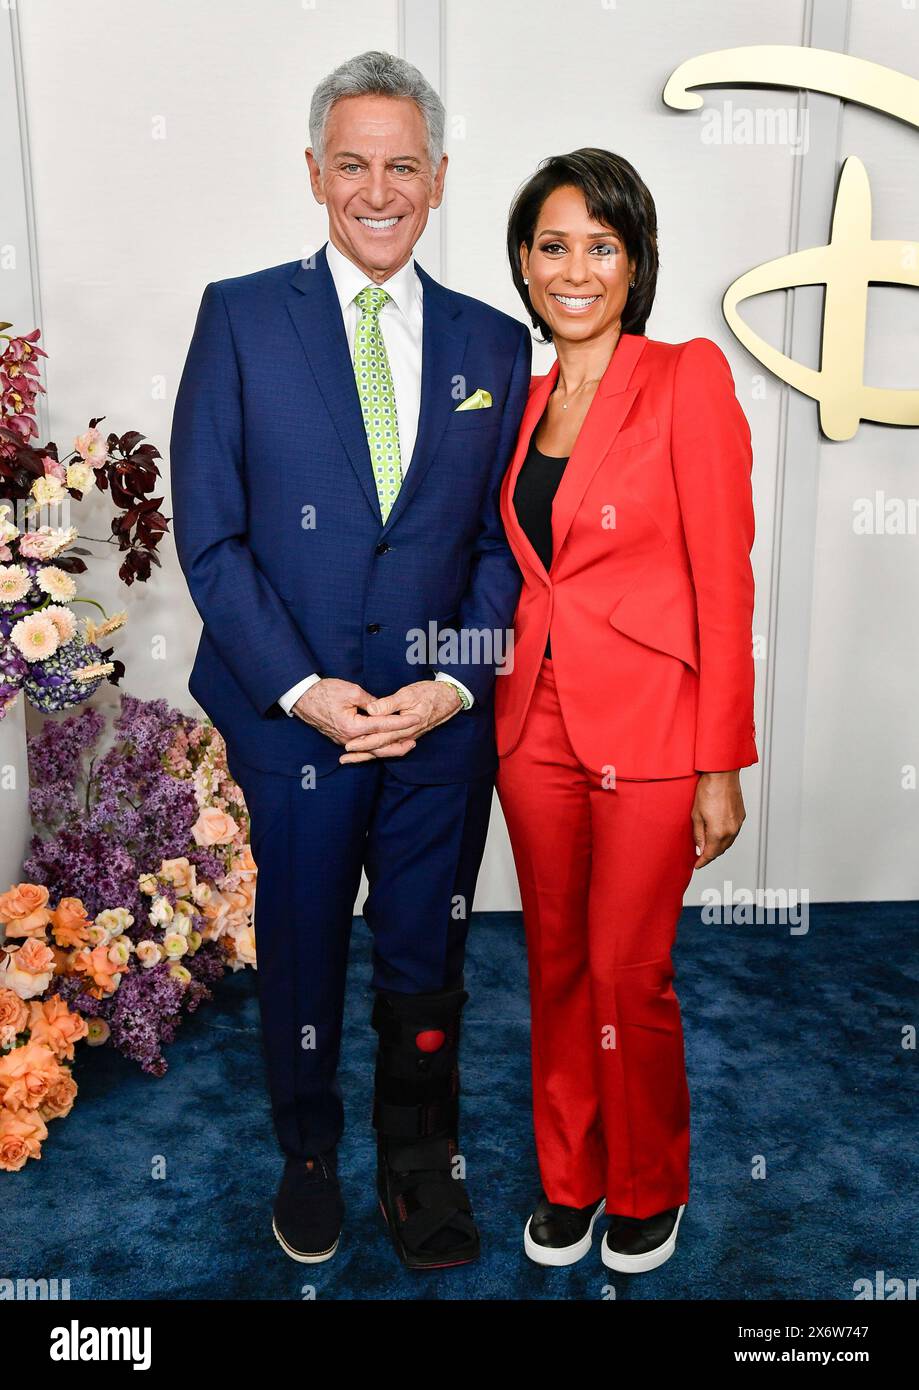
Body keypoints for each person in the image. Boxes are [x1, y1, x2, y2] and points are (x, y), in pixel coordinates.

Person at [169, 51, 531, 1270]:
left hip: (437, 725)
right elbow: (209, 534)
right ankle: (309, 1151)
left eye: (404, 166)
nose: (378, 190)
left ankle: (420, 1163)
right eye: (353, 164)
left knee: (427, 956)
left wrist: (448, 683)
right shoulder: (238, 314)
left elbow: (501, 547)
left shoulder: (495, 339)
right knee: (308, 937)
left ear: (438, 179)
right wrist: (306, 690)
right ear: (315, 171)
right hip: (294, 721)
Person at [495, 149, 757, 1273]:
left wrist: (720, 760)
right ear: (522, 260)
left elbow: (724, 574)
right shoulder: (525, 393)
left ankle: (649, 1179)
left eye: (601, 245)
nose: (575, 267)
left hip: (653, 724)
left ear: (637, 261)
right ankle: (572, 1174)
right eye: (553, 244)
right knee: (552, 958)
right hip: (532, 724)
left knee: (623, 967)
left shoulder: (684, 375)